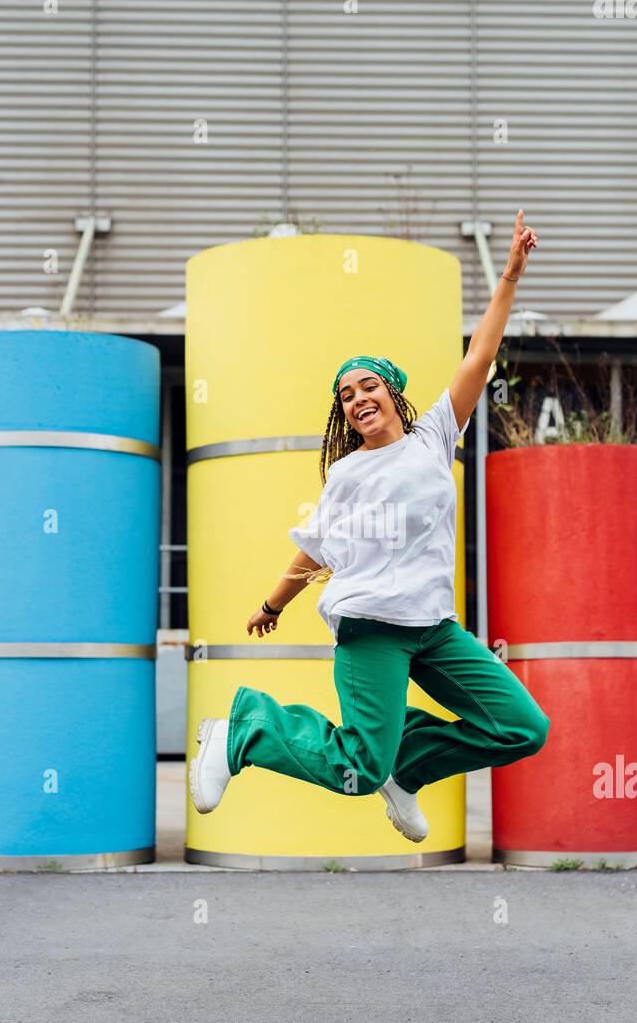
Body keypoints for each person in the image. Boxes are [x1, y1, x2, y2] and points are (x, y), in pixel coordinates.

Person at [189, 209, 550, 841]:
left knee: (521, 727)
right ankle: (244, 729)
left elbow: (480, 355)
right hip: (372, 628)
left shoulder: (435, 435)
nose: (357, 398)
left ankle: (406, 768)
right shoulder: (347, 475)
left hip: (433, 627)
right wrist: (271, 605)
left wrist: (511, 278)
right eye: (346, 396)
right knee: (357, 768)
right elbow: (315, 551)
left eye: (367, 386)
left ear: (392, 392)